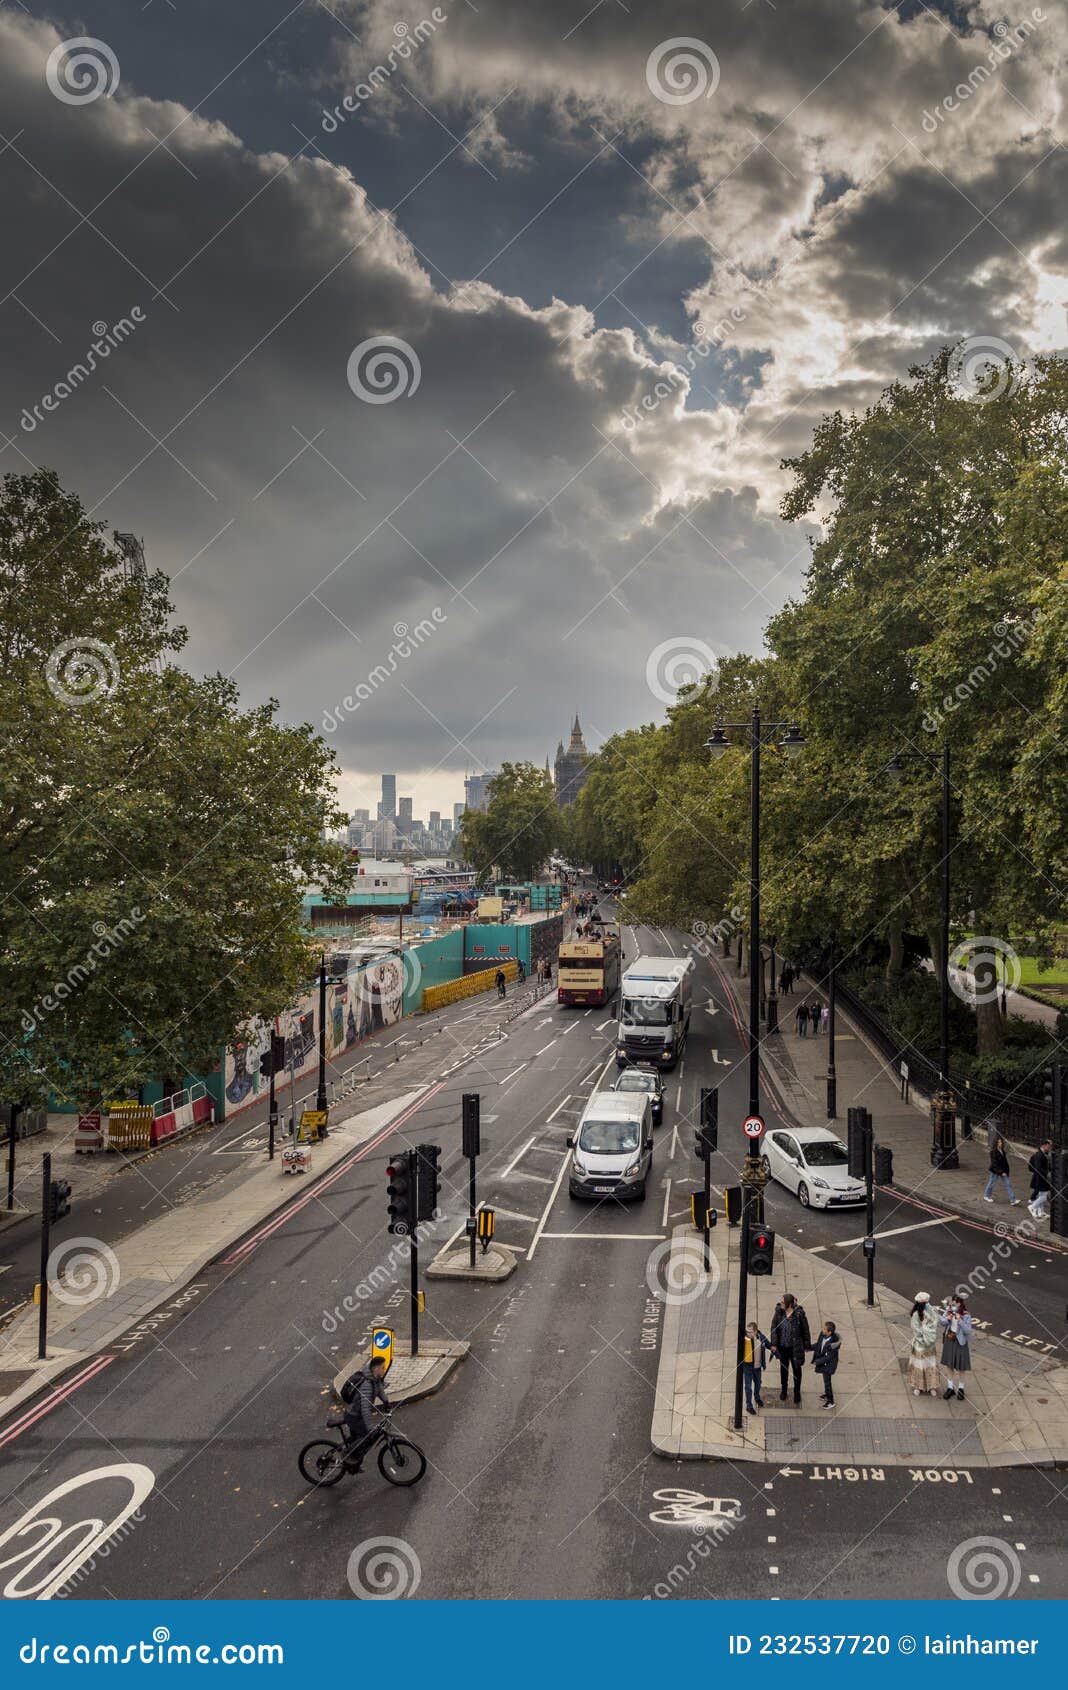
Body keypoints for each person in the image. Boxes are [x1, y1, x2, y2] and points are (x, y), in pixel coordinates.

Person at [341, 1355, 391, 1466]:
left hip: (356, 1414)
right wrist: (370, 1428)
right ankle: (347, 1453)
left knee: (357, 1438)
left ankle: (353, 1464)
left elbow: (379, 1390)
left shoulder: (374, 1378)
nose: (384, 1369)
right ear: (376, 1369)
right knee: (367, 1435)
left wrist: (386, 1402)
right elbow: (365, 1409)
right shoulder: (367, 1385)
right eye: (383, 1367)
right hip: (354, 1416)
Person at [770, 1291, 811, 1406]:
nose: (781, 1303)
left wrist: (807, 1344)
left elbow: (805, 1330)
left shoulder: (799, 1314)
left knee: (797, 1370)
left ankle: (797, 1392)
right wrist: (774, 1343)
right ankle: (784, 1390)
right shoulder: (779, 1313)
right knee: (784, 1369)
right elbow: (774, 1327)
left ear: (789, 1304)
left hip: (795, 1348)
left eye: (783, 1302)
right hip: (783, 1347)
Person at [938, 1294, 973, 1401]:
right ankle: (950, 1387)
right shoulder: (949, 1310)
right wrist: (947, 1319)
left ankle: (961, 1389)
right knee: (949, 1365)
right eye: (951, 1304)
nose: (952, 1306)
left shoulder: (966, 1315)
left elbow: (968, 1331)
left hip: (960, 1343)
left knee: (961, 1367)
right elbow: (942, 1322)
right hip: (949, 1340)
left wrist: (960, 1321)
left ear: (959, 1304)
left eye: (954, 1304)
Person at [906, 1292, 940, 1396]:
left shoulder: (930, 1310)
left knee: (930, 1365)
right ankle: (918, 1386)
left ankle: (931, 1386)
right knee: (920, 1366)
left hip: (929, 1345)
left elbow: (934, 1321)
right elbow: (916, 1330)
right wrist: (925, 1339)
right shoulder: (916, 1315)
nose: (926, 1304)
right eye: (925, 1303)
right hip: (921, 1345)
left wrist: (928, 1334)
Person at [812, 1320, 841, 1409]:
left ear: (829, 1332)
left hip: (829, 1365)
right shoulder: (823, 1335)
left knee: (827, 1383)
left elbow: (828, 1357)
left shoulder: (833, 1345)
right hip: (824, 1363)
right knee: (826, 1381)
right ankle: (827, 1395)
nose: (822, 1330)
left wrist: (817, 1362)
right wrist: (809, 1347)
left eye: (824, 1329)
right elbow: (819, 1345)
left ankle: (831, 1401)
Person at [743, 1321, 770, 1414]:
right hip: (748, 1367)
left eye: (750, 1332)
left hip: (757, 1367)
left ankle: (757, 1397)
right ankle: (749, 1406)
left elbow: (768, 1344)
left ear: (755, 1332)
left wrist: (776, 1352)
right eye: (747, 1331)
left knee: (758, 1384)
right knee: (748, 1387)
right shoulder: (745, 1340)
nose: (748, 1333)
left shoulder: (760, 1338)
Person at [984, 1136, 1019, 1206]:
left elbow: (1004, 1162)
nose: (1001, 1143)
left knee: (1007, 1184)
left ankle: (1013, 1200)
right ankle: (987, 1196)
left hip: (1003, 1170)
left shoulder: (1002, 1151)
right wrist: (1001, 1172)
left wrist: (1005, 1171)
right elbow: (994, 1164)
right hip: (995, 1171)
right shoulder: (993, 1152)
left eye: (1001, 1142)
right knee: (991, 1183)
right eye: (999, 1142)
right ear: (996, 1143)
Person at [1028, 1138, 1052, 1219]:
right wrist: (1047, 1174)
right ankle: (1032, 1207)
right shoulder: (1039, 1155)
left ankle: (1041, 1212)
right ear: (1044, 1145)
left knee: (1041, 1195)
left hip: (1042, 1178)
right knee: (1044, 1197)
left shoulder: (1044, 1153)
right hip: (1040, 1178)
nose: (1049, 1148)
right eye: (1049, 1146)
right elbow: (1038, 1168)